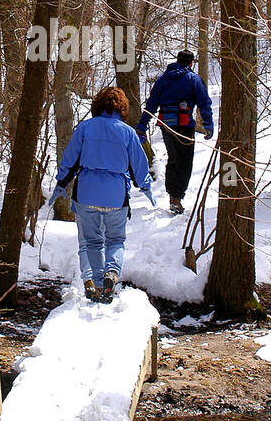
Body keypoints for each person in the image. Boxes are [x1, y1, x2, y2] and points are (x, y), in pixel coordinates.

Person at [50, 86, 155, 302]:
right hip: (116, 197)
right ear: (122, 108)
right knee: (115, 240)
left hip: (86, 194)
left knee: (91, 242)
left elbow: (70, 160)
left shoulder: (85, 128)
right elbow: (139, 166)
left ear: (97, 106)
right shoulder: (128, 132)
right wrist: (146, 187)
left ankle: (95, 284)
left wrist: (61, 183)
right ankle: (112, 274)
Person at [136, 50, 214, 215]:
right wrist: (208, 124)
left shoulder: (162, 80)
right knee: (185, 162)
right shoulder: (193, 79)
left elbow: (151, 105)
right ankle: (176, 199)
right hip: (184, 127)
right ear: (191, 63)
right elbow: (204, 103)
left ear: (177, 61)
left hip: (166, 125)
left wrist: (142, 126)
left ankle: (173, 195)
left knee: (173, 159)